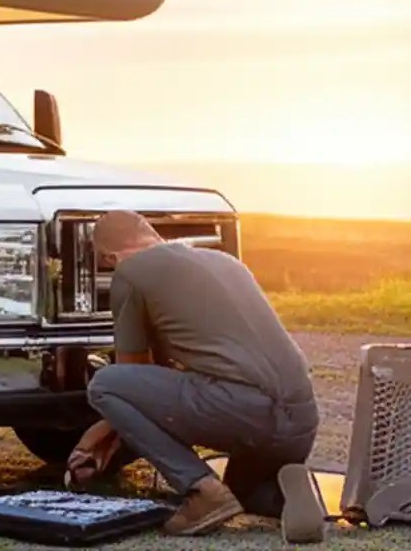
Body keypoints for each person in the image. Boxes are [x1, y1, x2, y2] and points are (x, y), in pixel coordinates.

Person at [65, 210, 325, 541]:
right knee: (243, 495)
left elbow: (132, 377)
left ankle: (201, 490)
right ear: (154, 236)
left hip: (245, 411)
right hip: (300, 422)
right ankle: (286, 493)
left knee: (106, 384)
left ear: (108, 256)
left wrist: (96, 435)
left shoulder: (131, 272)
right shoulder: (226, 262)